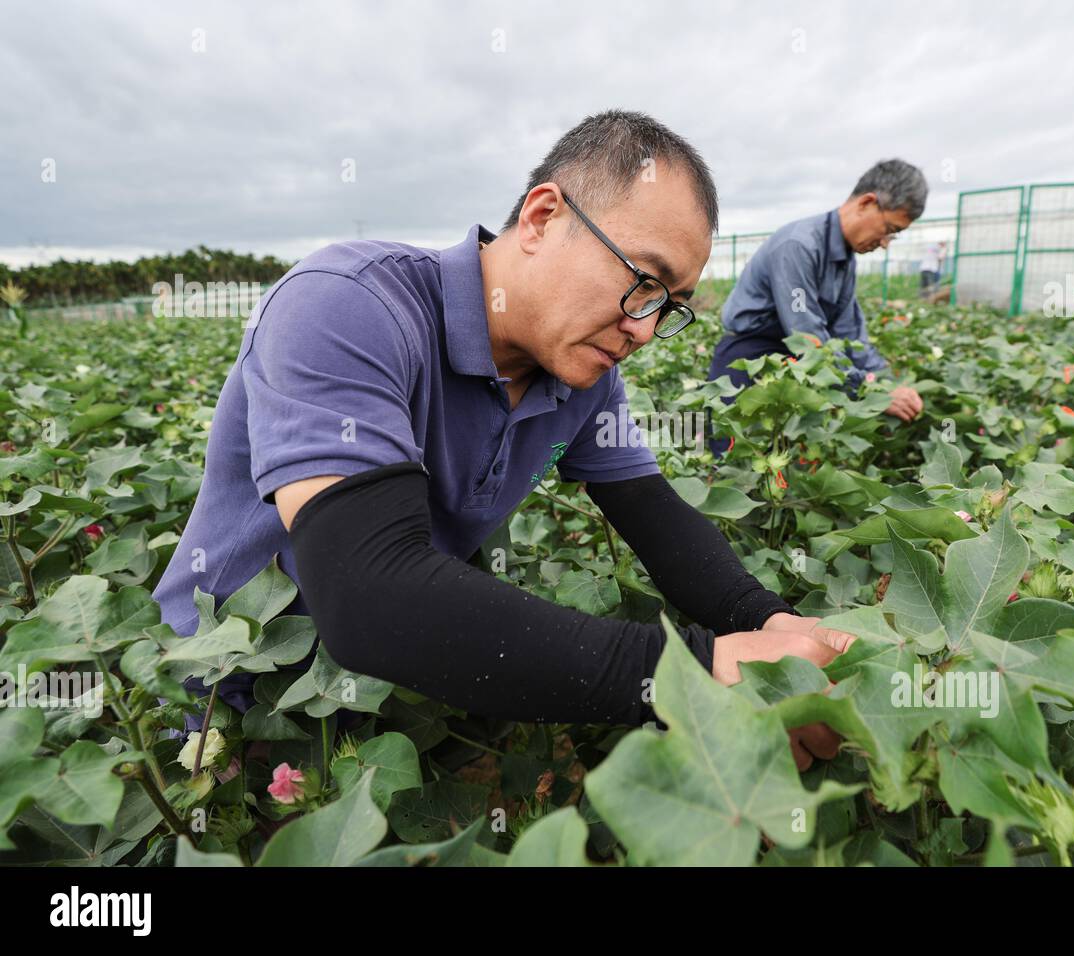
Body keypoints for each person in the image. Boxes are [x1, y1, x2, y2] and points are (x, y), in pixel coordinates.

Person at [150, 110, 855, 774]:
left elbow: (651, 511)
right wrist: (690, 672)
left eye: (667, 308)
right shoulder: (345, 304)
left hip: (379, 699)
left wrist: (773, 624)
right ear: (544, 217)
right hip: (217, 703)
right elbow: (368, 592)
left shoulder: (580, 374)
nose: (643, 329)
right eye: (642, 283)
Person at [706, 159, 928, 435]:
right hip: (749, 362)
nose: (885, 243)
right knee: (732, 456)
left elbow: (851, 336)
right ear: (866, 203)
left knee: (782, 459)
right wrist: (873, 390)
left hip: (791, 365)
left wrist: (885, 383)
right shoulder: (798, 246)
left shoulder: (845, 259)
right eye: (890, 230)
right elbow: (807, 341)